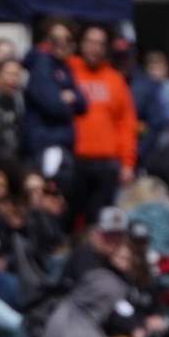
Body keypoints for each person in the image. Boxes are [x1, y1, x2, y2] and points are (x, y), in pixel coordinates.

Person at [67, 23, 137, 225]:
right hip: (74, 160)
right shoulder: (68, 70)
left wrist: (127, 163)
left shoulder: (115, 80)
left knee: (97, 223)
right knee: (68, 221)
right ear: (80, 44)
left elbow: (125, 125)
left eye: (100, 43)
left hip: (106, 164)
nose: (94, 48)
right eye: (90, 42)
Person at [22, 17, 84, 165]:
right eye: (56, 38)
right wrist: (68, 101)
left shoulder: (64, 66)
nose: (62, 43)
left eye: (67, 39)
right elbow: (53, 105)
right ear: (47, 40)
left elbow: (83, 103)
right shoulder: (40, 64)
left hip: (61, 142)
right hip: (45, 143)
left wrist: (72, 96)